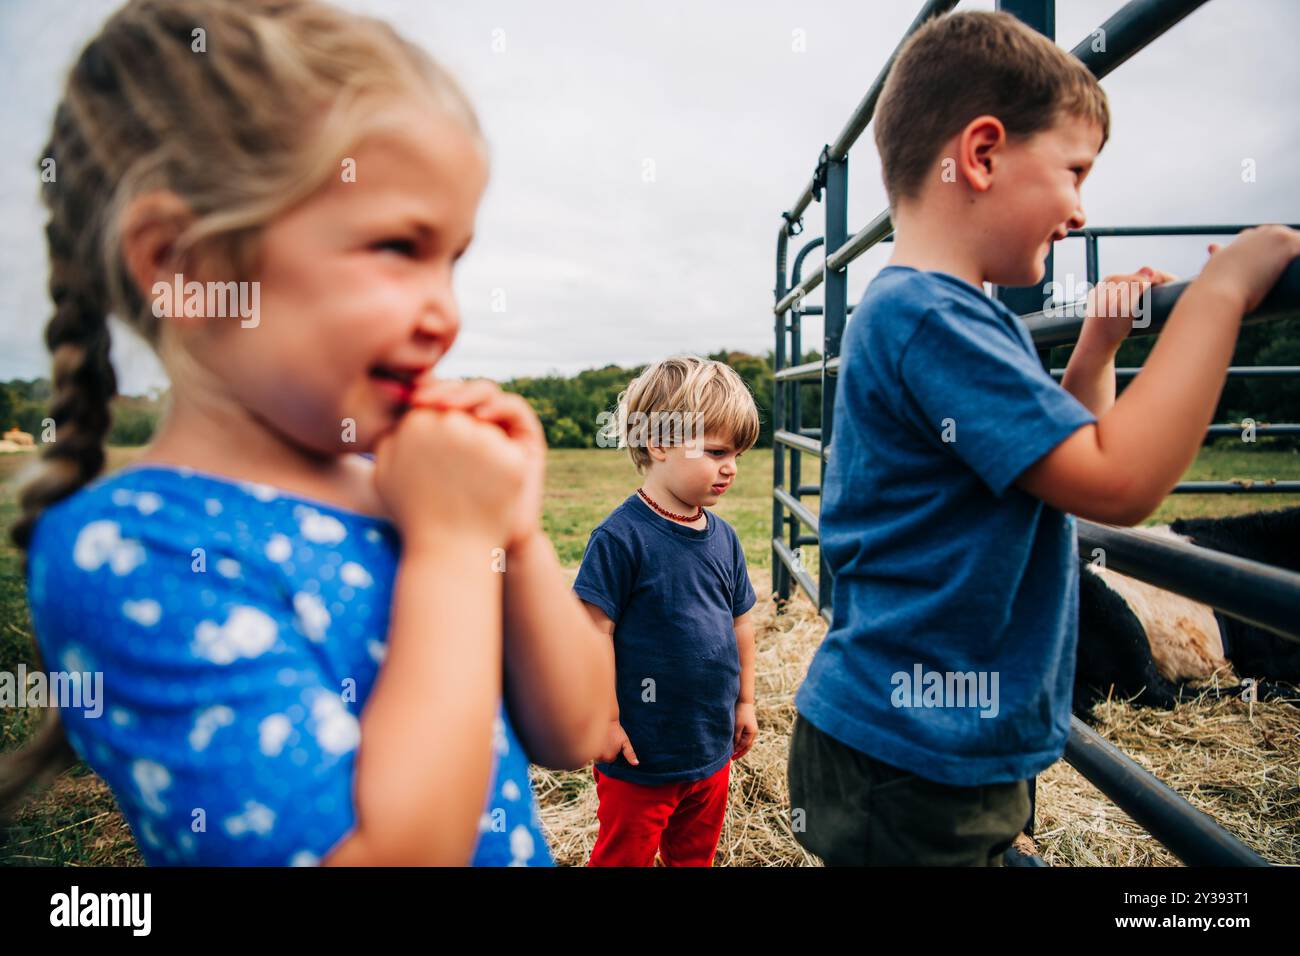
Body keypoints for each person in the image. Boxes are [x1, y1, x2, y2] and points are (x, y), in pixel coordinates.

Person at [2, 0, 613, 866]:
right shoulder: (130, 553)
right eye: (400, 247)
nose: (447, 313)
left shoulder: (402, 483)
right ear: (185, 264)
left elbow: (581, 727)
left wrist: (509, 529)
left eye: (455, 260)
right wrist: (451, 542)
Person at [787, 9, 1300, 866]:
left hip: (928, 741)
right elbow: (1118, 482)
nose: (1079, 208)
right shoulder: (935, 321)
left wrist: (1098, 348)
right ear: (982, 154)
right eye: (1073, 170)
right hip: (913, 760)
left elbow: (1067, 452)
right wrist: (1222, 296)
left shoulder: (936, 312)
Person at [574, 356, 761, 866]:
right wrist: (605, 719)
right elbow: (594, 632)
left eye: (738, 453)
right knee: (624, 856)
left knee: (693, 856)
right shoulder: (621, 538)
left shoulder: (723, 538)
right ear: (659, 443)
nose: (731, 467)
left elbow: (740, 622)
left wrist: (745, 701)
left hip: (708, 749)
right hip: (640, 757)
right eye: (718, 451)